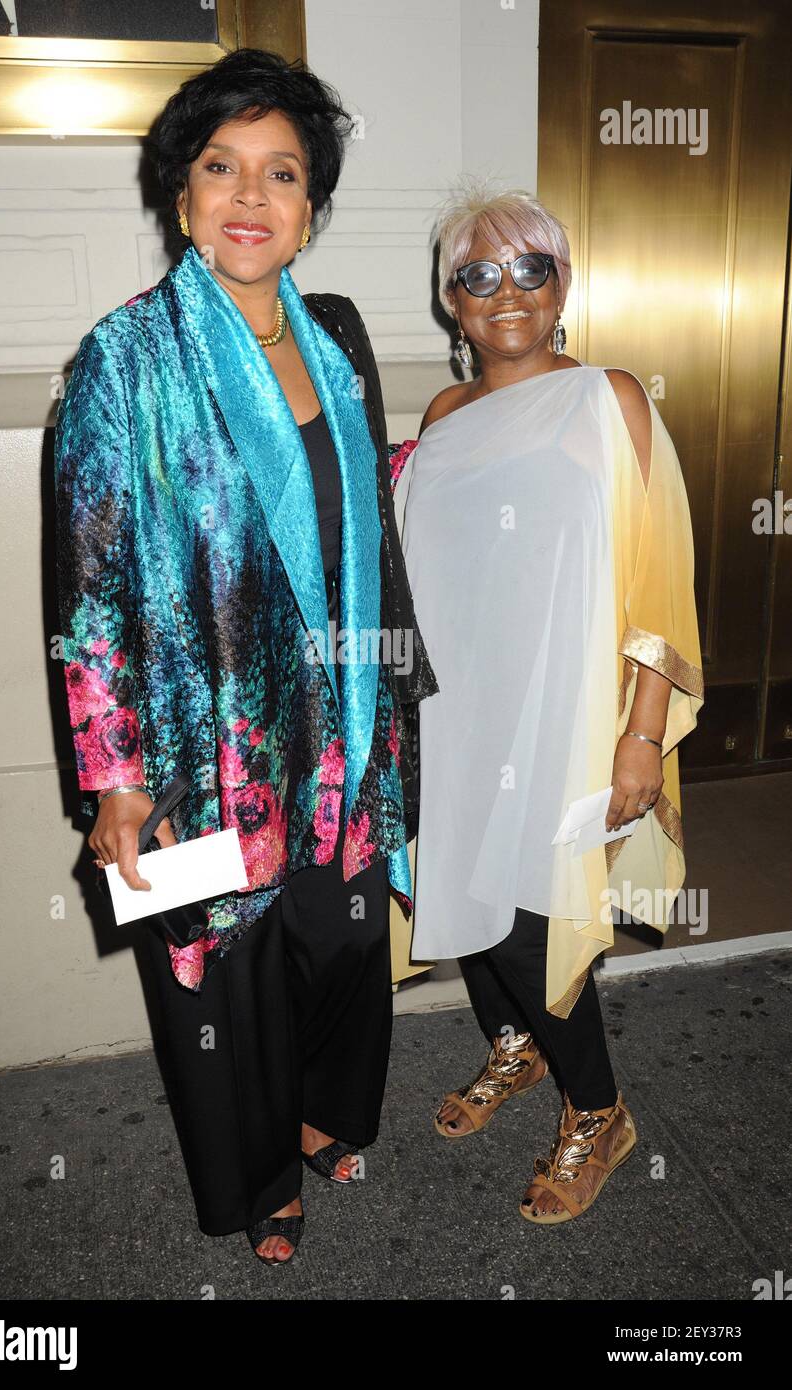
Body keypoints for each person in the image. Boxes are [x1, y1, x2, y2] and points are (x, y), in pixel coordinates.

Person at [54, 48, 436, 1264]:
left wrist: (399, 695)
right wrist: (114, 778)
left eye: (282, 173)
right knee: (223, 975)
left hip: (342, 720)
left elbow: (367, 523)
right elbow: (88, 584)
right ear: (182, 193)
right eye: (222, 168)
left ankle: (327, 1106)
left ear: (312, 207)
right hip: (191, 738)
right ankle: (262, 1173)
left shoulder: (338, 337)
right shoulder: (128, 355)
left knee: (335, 939)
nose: (251, 195)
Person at [395, 186, 703, 1224]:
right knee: (469, 903)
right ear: (450, 302)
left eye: (530, 266)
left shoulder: (607, 397)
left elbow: (663, 572)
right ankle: (513, 1046)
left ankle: (597, 1110)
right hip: (454, 711)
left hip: (562, 711)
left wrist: (641, 732)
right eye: (475, 275)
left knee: (533, 919)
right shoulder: (439, 417)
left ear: (563, 283)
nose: (506, 291)